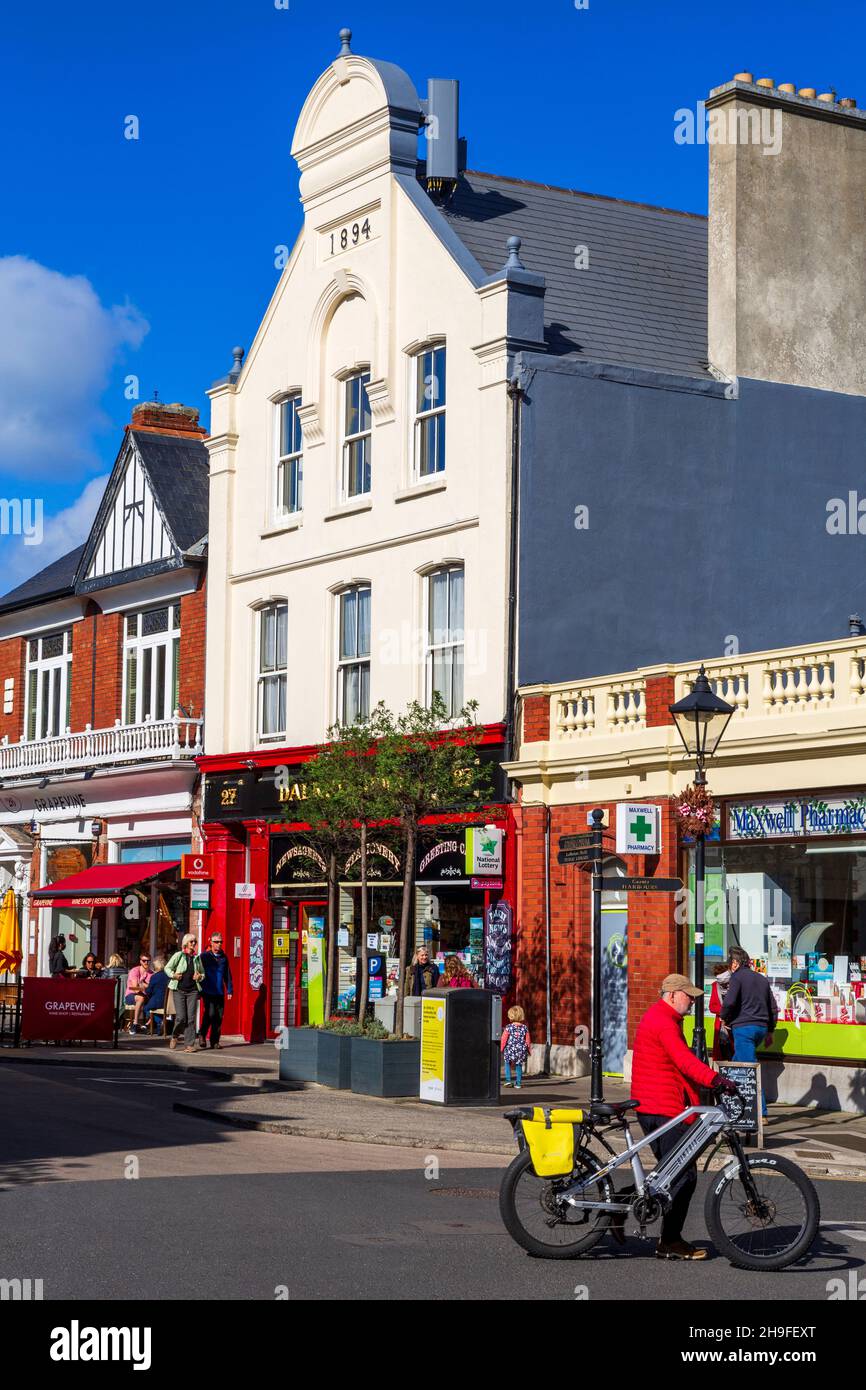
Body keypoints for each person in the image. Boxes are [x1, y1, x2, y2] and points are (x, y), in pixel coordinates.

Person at [632, 973, 739, 1260]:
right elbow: (685, 1061)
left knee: (669, 1172)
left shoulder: (663, 1017)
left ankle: (622, 1203)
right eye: (688, 996)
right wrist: (716, 1080)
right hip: (662, 1108)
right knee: (683, 1175)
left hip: (660, 1105)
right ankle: (670, 1241)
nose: (692, 1001)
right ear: (671, 995)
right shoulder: (664, 1022)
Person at [720, 946, 778, 1118]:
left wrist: (724, 1018)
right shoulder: (761, 979)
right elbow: (773, 1007)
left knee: (749, 1070)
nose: (729, 967)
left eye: (730, 963)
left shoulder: (737, 978)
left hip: (744, 1029)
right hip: (761, 1028)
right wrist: (770, 1030)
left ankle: (761, 1113)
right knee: (736, 1065)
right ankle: (733, 1106)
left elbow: (729, 1002)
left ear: (735, 963)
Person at [164, 935, 204, 1051]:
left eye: (195, 942)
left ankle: (189, 1045)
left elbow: (203, 973)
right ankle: (175, 1036)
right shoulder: (179, 955)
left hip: (193, 990)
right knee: (181, 1018)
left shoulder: (197, 958)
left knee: (191, 1018)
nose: (193, 943)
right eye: (191, 941)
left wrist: (199, 976)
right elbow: (167, 968)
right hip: (179, 990)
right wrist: (174, 975)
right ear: (186, 943)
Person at [197, 933, 233, 1050]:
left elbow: (227, 975)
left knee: (219, 1016)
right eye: (216, 942)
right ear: (211, 942)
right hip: (207, 990)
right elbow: (198, 972)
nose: (219, 944)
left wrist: (229, 990)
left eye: (220, 942)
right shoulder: (204, 956)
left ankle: (215, 1041)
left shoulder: (224, 957)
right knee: (210, 1014)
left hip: (219, 991)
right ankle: (202, 1034)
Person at [501, 1005, 531, 1088]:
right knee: (519, 1065)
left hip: (510, 1049)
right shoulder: (525, 1028)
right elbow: (528, 1040)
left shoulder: (508, 1027)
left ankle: (508, 1081)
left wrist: (501, 1048)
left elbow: (504, 1039)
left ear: (511, 1016)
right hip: (521, 1050)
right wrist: (528, 1050)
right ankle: (518, 1083)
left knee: (507, 1063)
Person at [709, 961, 733, 1061]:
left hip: (733, 1023)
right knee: (721, 1054)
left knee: (733, 1052)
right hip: (720, 1024)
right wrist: (725, 1011)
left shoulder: (735, 984)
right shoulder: (715, 985)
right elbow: (712, 1006)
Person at [124, 952, 153, 1034]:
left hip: (145, 995)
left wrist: (143, 985)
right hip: (130, 995)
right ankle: (135, 1024)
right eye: (144, 961)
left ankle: (148, 1025)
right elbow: (136, 989)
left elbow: (151, 988)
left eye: (148, 961)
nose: (146, 963)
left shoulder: (151, 973)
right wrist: (145, 986)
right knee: (141, 998)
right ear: (140, 961)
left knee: (156, 999)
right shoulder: (134, 971)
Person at [141, 957, 168, 1035]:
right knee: (153, 1008)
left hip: (158, 1001)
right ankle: (160, 1025)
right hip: (169, 1003)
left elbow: (149, 992)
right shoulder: (168, 976)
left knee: (146, 1009)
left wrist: (144, 989)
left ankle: (160, 1022)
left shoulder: (154, 977)